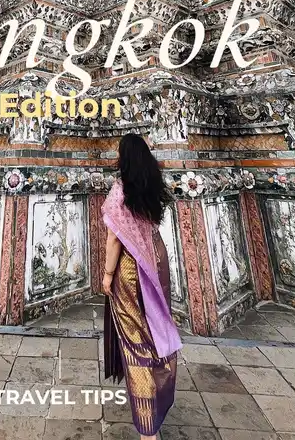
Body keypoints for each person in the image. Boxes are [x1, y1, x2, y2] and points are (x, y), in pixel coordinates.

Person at [102, 133, 182, 439]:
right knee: (156, 329)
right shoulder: (152, 184)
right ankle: (160, 394)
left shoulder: (121, 189)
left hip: (130, 268)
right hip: (156, 259)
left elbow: (114, 239)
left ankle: (148, 426)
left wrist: (108, 275)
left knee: (137, 341)